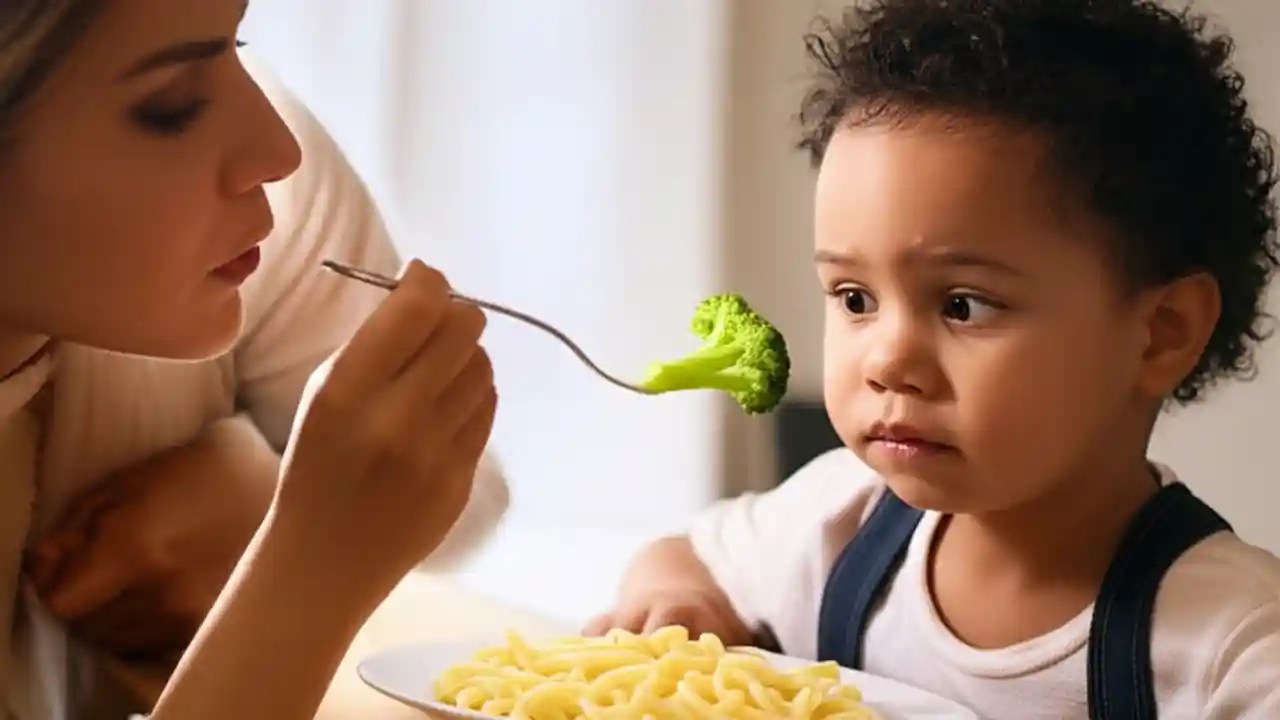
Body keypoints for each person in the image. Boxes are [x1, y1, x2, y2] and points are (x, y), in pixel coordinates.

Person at [589, 1, 1280, 718]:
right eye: (855, 298)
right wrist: (682, 603)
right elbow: (685, 557)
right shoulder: (841, 522)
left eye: (962, 306)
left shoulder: (1237, 649)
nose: (888, 360)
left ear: (1161, 332)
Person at [1, 0, 508, 717]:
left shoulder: (262, 226)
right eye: (171, 106)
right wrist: (301, 570)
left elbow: (466, 489)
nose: (279, 149)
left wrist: (267, 495)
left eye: (236, 41)